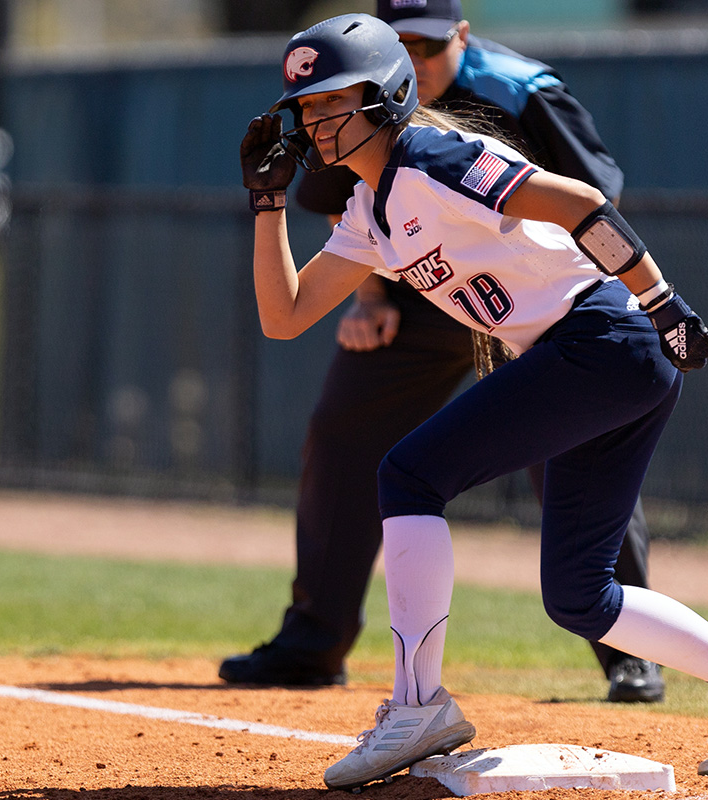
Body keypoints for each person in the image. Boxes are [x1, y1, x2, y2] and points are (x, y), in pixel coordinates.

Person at [241, 13, 708, 789]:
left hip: (603, 340)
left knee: (408, 475)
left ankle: (418, 705)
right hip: (599, 357)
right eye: (307, 107)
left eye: (334, 100)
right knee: (581, 596)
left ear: (389, 92)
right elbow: (284, 316)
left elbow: (578, 200)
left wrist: (662, 302)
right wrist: (266, 207)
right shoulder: (371, 208)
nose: (317, 121)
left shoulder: (433, 155)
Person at [219, 0, 665, 704]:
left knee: (571, 455)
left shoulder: (517, 92)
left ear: (462, 35)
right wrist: (361, 294)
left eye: (426, 46)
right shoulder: (350, 109)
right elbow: (343, 226)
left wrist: (645, 301)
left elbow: (591, 198)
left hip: (540, 300)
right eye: (399, 43)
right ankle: (316, 639)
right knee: (346, 433)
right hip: (422, 294)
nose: (414, 59)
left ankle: (628, 649)